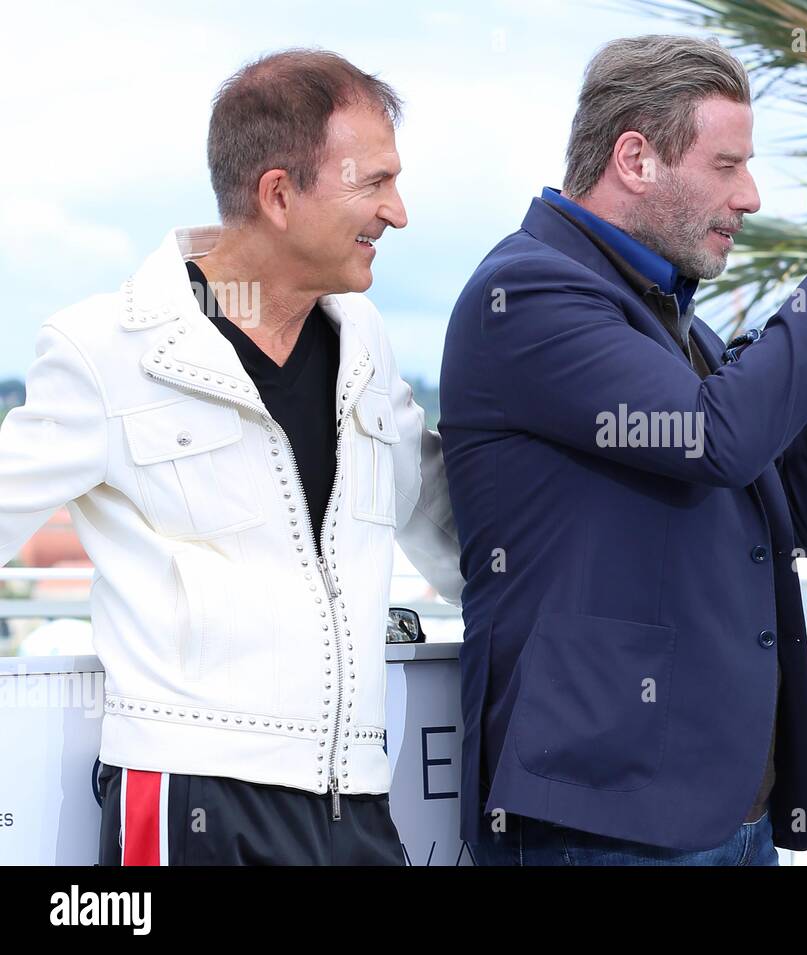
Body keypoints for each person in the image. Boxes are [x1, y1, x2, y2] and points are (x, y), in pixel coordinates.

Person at [439, 35, 807, 866]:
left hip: (728, 817)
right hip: (605, 823)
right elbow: (714, 435)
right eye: (726, 164)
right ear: (635, 159)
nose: (752, 195)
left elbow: (795, 511)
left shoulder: (670, 324)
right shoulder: (529, 296)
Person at [0, 49, 462, 865]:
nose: (398, 212)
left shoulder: (368, 342)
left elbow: (438, 524)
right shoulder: (107, 347)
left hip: (357, 798)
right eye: (374, 182)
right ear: (280, 194)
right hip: (193, 797)